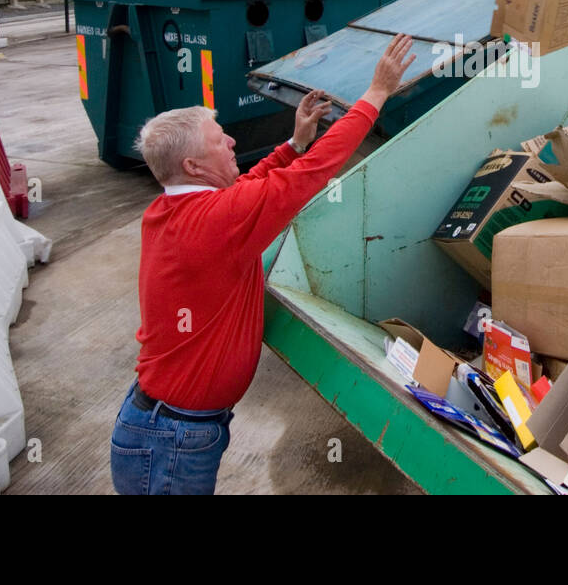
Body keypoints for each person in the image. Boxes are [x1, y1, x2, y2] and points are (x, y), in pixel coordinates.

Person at [109, 33, 416, 495]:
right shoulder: (215, 222)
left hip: (168, 429)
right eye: (219, 140)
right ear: (193, 165)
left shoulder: (174, 209)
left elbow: (246, 187)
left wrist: (294, 142)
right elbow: (311, 175)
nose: (232, 140)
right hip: (171, 441)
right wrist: (376, 93)